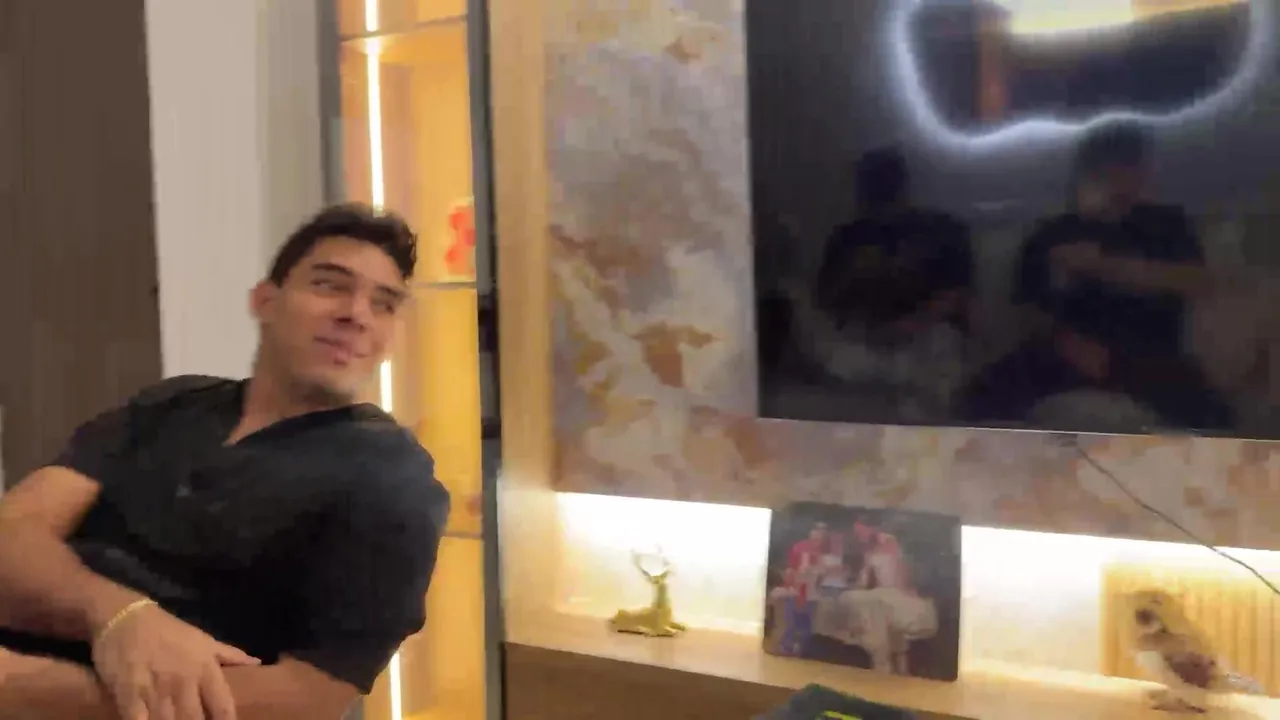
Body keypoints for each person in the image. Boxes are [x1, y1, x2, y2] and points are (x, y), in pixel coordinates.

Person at [0, 203, 450, 720]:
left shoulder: (393, 483)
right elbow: (14, 530)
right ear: (265, 300)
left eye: (384, 304)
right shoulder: (172, 405)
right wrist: (119, 616)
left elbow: (306, 698)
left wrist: (24, 688)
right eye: (330, 285)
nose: (357, 314)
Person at [961, 122, 1233, 431]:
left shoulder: (1166, 224)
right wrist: (1066, 341)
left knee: (1212, 416)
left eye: (1131, 168)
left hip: (1148, 354)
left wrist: (1103, 265)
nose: (1125, 178)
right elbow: (1029, 313)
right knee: (980, 397)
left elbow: (1196, 281)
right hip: (1063, 350)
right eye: (1111, 169)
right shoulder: (1052, 234)